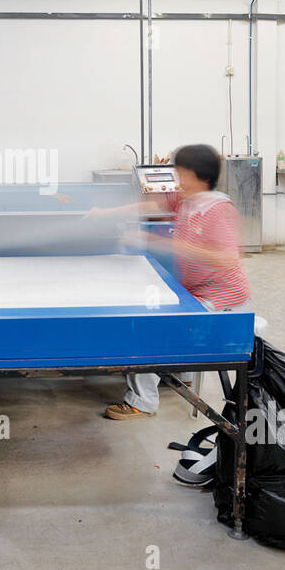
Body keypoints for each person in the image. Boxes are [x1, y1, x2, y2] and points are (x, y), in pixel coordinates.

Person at [103, 143, 250, 420]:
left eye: (180, 173)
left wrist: (160, 242)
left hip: (221, 295)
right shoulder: (186, 199)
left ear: (200, 177)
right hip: (194, 289)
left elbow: (227, 258)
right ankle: (175, 367)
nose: (175, 180)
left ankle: (142, 401)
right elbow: (150, 203)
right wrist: (106, 213)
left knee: (148, 323)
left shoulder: (217, 210)